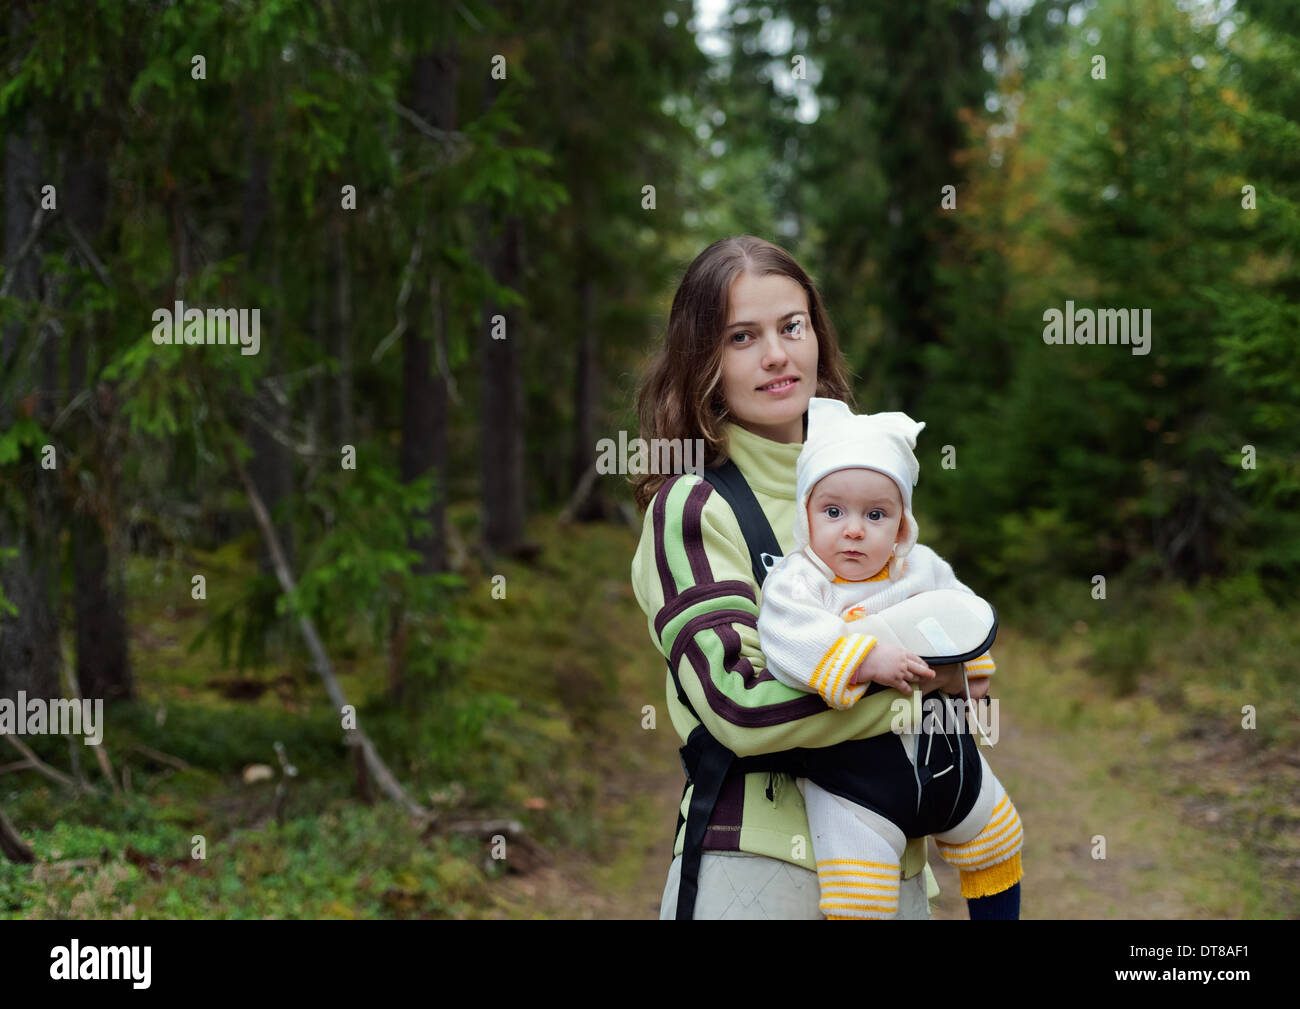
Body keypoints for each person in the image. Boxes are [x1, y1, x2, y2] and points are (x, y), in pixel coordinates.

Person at [629, 235, 975, 919]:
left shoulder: (868, 489)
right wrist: (909, 684)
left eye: (792, 326)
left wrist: (948, 680)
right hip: (757, 867)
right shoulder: (697, 505)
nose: (777, 355)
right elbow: (735, 700)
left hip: (893, 857)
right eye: (741, 337)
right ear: (703, 360)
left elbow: (951, 665)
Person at [755, 397, 1023, 920]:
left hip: (944, 756)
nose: (854, 530)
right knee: (859, 894)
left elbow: (962, 611)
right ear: (806, 516)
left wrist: (973, 671)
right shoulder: (800, 581)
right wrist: (866, 658)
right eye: (834, 512)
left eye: (875, 514)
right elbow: (786, 637)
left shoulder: (918, 568)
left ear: (901, 526)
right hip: (854, 780)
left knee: (998, 837)